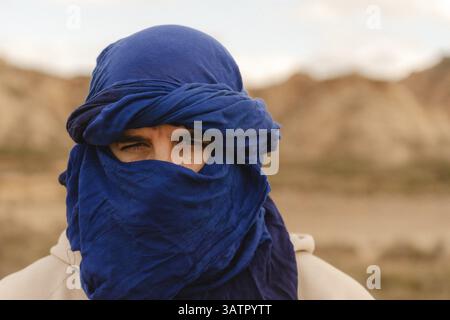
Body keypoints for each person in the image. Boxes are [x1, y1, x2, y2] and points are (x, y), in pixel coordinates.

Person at [0, 25, 372, 300]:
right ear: (97, 163)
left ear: (235, 155)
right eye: (133, 145)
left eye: (191, 144)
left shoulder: (328, 293)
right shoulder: (28, 294)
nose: (167, 170)